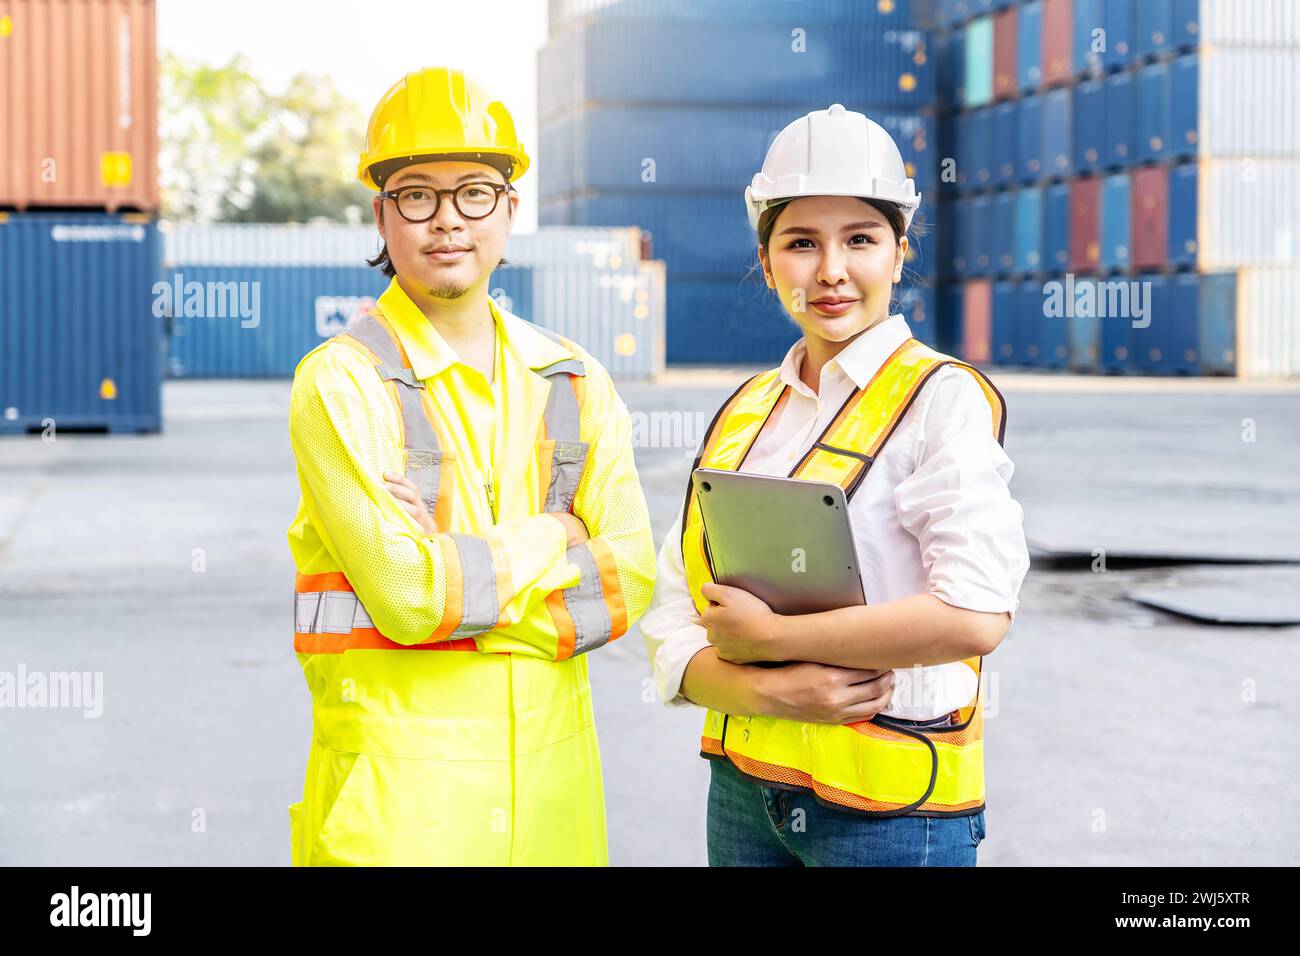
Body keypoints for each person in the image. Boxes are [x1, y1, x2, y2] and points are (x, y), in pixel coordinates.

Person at [640, 104, 1030, 867]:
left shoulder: (940, 400)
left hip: (888, 817)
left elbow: (977, 613)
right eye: (800, 243)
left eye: (860, 239)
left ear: (898, 251)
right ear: (766, 261)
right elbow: (675, 603)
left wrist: (775, 640)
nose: (830, 270)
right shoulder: (747, 411)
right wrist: (763, 690)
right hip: (746, 793)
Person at [285, 67, 656, 865]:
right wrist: (562, 532)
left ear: (510, 210)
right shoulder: (341, 382)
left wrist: (459, 573)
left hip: (555, 816)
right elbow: (410, 598)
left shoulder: (574, 379)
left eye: (475, 193)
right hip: (402, 821)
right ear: (383, 215)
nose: (447, 219)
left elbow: (628, 584)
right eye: (417, 194)